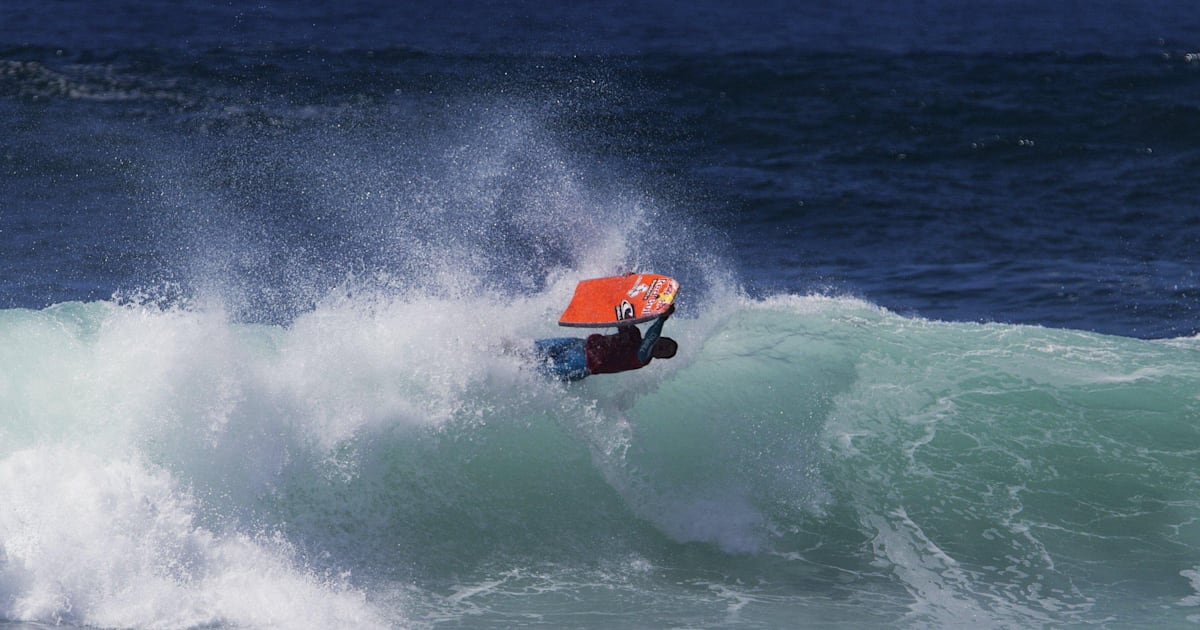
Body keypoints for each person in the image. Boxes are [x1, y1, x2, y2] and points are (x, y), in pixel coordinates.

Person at [533, 305, 677, 381]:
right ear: (661, 338)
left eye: (663, 351)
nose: (661, 347)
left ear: (658, 357)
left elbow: (650, 340)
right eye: (664, 343)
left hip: (582, 364)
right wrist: (630, 288)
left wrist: (662, 319)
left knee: (533, 369)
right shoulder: (634, 334)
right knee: (533, 348)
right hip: (580, 345)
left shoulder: (641, 359)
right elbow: (622, 312)